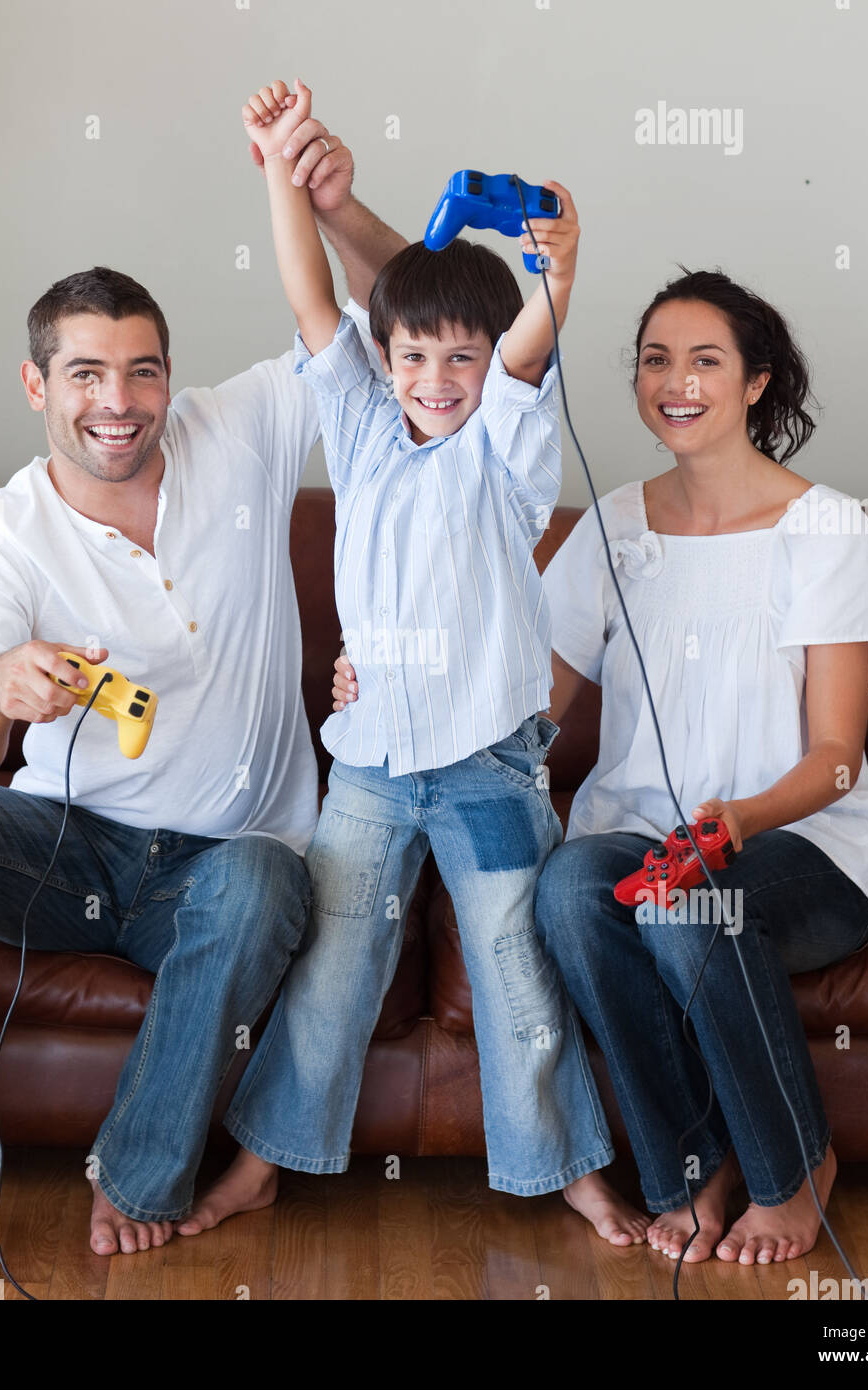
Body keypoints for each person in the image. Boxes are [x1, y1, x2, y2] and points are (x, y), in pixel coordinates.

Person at [0, 106, 409, 1283]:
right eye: (87, 373)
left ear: (167, 377)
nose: (119, 400)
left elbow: (412, 324)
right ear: (37, 383)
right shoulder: (2, 537)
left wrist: (333, 202)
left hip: (222, 857)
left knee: (258, 880)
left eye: (141, 370)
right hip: (68, 847)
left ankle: (137, 1176)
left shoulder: (237, 433)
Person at [330, 268, 868, 1260]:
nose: (673, 381)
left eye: (703, 360)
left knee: (683, 900)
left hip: (805, 839)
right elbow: (522, 703)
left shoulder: (823, 530)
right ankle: (691, 1171)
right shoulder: (615, 525)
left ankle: (792, 1164)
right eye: (654, 360)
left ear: (754, 383)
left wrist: (731, 824)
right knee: (571, 891)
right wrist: (387, 679)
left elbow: (830, 761)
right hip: (646, 836)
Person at [184, 78, 635, 1236]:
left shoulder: (502, 450)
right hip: (373, 766)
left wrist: (558, 274)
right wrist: (282, 165)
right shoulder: (360, 429)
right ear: (383, 361)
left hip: (487, 763)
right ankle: (264, 1157)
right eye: (413, 357)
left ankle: (566, 1167)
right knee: (330, 973)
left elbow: (534, 336)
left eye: (461, 360)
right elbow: (311, 295)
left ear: (492, 367)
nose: (434, 380)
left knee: (514, 971)